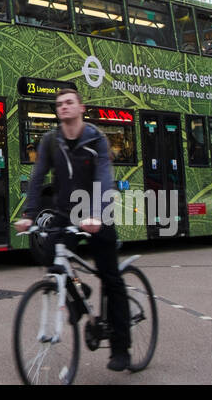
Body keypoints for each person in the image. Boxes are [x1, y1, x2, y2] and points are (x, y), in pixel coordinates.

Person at [15, 87, 132, 372]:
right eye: (59, 104)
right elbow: (37, 176)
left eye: (69, 103)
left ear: (81, 108)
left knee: (111, 278)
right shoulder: (51, 141)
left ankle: (121, 348)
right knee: (50, 258)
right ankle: (79, 299)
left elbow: (105, 178)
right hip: (65, 213)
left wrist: (96, 214)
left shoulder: (96, 140)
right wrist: (29, 215)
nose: (63, 107)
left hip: (97, 213)